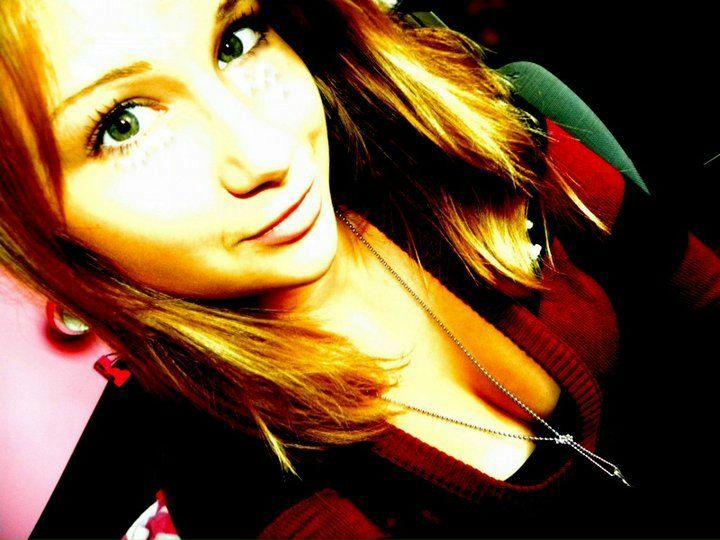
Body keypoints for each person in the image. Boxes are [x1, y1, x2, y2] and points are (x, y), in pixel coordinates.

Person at [1, 0, 718, 538]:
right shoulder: (264, 505)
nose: (267, 151)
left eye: (235, 40)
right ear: (37, 230)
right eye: (123, 124)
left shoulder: (466, 139)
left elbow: (702, 295)